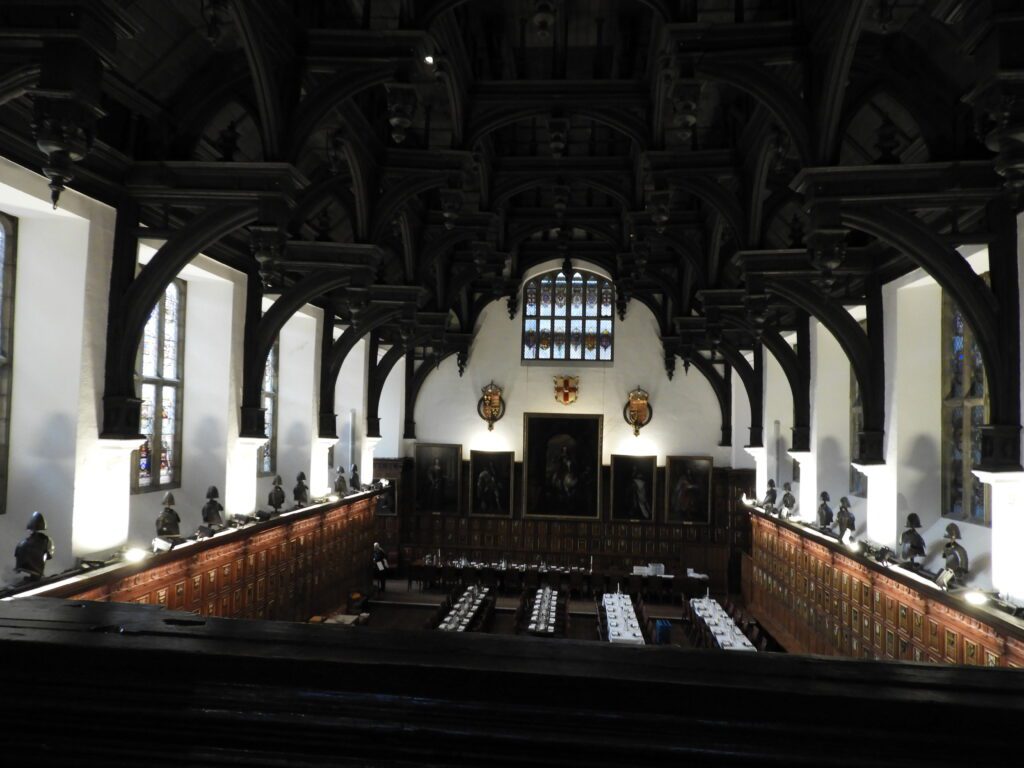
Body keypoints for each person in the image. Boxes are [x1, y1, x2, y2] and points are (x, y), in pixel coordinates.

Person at [14, 511, 55, 581]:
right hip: (35, 572)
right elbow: (49, 555)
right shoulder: (46, 541)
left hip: (28, 570)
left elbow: (17, 554)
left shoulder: (22, 544)